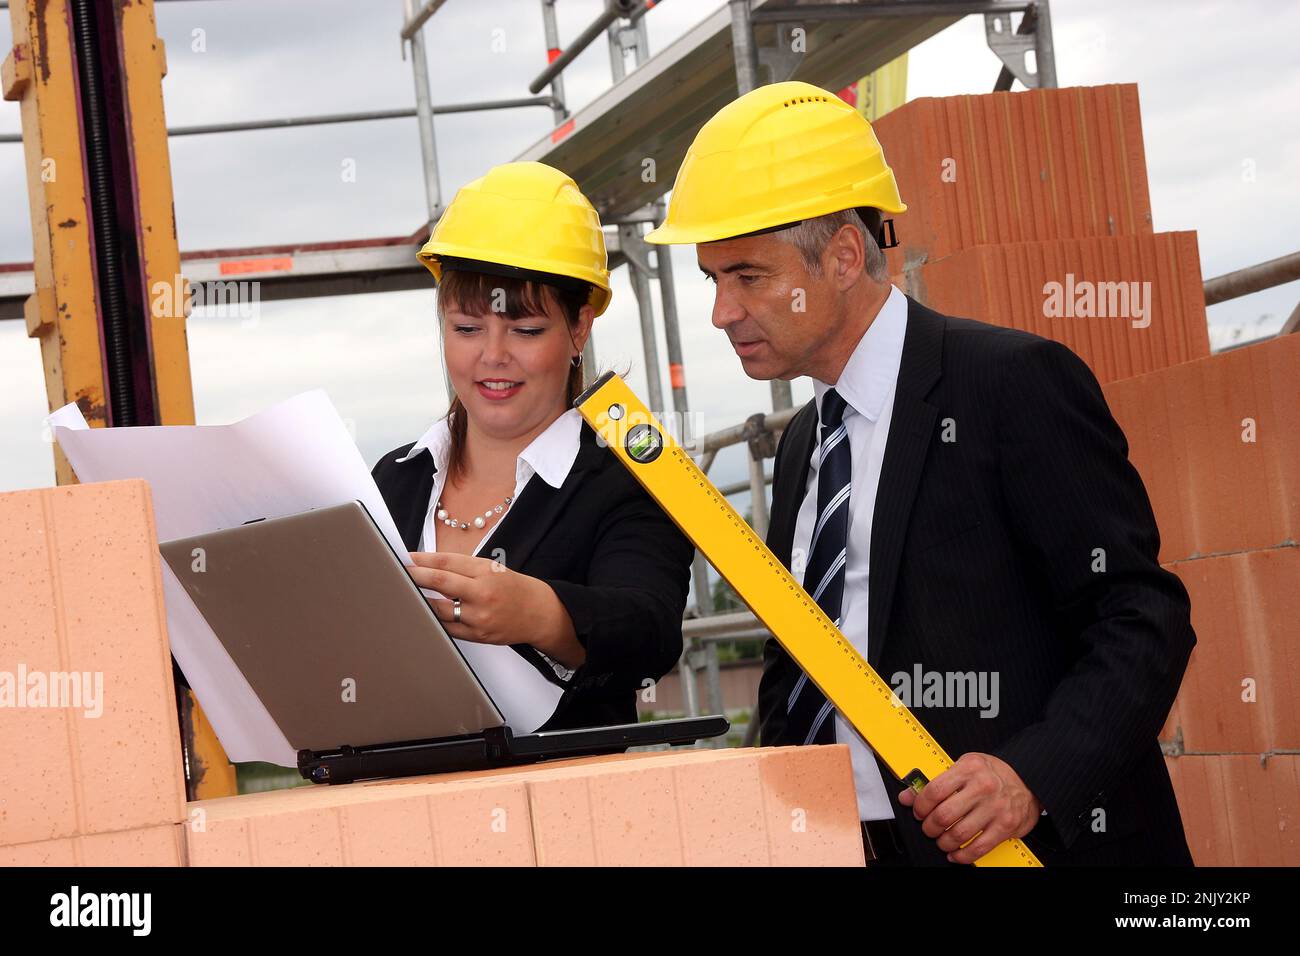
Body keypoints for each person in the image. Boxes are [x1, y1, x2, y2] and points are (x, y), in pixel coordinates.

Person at [645, 81, 1196, 866]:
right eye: (713, 281)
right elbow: (798, 664)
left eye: (748, 276)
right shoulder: (807, 443)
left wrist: (1029, 776)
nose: (722, 312)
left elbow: (1142, 614)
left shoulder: (1011, 385)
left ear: (840, 256)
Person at [372, 161, 693, 732]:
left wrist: (545, 616)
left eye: (525, 331)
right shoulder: (393, 478)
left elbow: (650, 631)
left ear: (579, 329)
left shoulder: (630, 479)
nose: (492, 356)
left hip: (562, 809)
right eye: (466, 328)